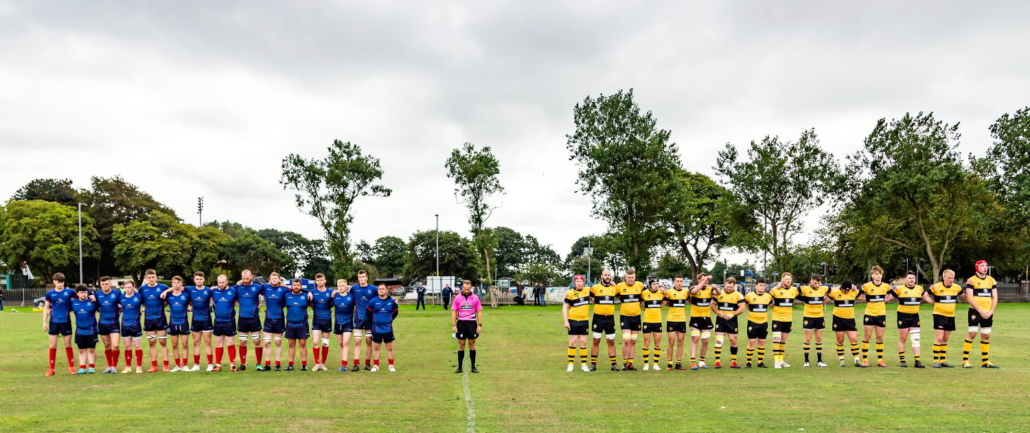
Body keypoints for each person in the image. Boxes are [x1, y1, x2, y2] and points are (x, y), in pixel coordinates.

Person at [963, 260, 999, 369]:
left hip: (988, 312)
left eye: (986, 266)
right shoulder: (971, 280)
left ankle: (985, 361)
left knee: (986, 335)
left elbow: (995, 297)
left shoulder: (991, 280)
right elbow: (969, 298)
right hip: (975, 311)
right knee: (972, 333)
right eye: (982, 266)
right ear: (977, 267)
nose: (985, 268)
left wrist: (991, 311)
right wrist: (980, 311)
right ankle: (965, 360)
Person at [892, 270, 931, 368]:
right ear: (905, 279)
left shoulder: (919, 288)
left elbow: (925, 298)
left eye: (913, 278)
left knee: (915, 339)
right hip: (902, 316)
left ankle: (917, 361)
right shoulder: (899, 289)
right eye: (909, 278)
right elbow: (889, 297)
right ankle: (902, 361)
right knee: (903, 338)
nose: (911, 280)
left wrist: (936, 303)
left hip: (914, 316)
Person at [859, 266, 894, 367]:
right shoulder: (866, 286)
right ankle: (865, 360)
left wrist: (886, 300)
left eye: (880, 274)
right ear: (872, 275)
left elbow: (893, 294)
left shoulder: (886, 286)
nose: (878, 276)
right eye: (876, 274)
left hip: (881, 315)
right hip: (869, 314)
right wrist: (866, 299)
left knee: (879, 337)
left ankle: (880, 360)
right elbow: (858, 295)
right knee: (867, 336)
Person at [44, 272, 77, 376]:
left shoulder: (70, 292)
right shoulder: (49, 293)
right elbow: (46, 308)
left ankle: (71, 367)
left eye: (62, 282)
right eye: (58, 282)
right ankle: (51, 369)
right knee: (53, 345)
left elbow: (79, 300)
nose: (61, 284)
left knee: (68, 344)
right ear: (54, 282)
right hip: (54, 322)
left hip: (66, 322)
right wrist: (44, 322)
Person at [928, 269, 962, 368]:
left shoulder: (957, 288)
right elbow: (925, 295)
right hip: (939, 315)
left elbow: (964, 295)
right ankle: (935, 361)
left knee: (945, 338)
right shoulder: (936, 287)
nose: (951, 280)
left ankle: (943, 360)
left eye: (953, 278)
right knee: (939, 338)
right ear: (944, 278)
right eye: (949, 278)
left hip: (951, 315)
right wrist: (933, 302)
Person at [588, 269, 619, 371]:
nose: (607, 277)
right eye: (605, 275)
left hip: (610, 318)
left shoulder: (614, 288)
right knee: (596, 340)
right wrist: (594, 301)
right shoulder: (595, 287)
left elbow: (621, 297)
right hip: (598, 317)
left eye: (609, 275)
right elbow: (589, 295)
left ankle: (614, 365)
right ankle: (593, 364)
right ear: (601, 276)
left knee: (611, 341)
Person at [139, 269, 170, 372]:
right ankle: (154, 366)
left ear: (156, 277)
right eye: (149, 278)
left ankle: (166, 365)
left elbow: (169, 296)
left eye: (153, 277)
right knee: (152, 342)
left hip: (160, 318)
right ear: (146, 278)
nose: (151, 279)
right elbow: (141, 301)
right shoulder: (142, 289)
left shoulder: (163, 287)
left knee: (162, 341)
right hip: (149, 319)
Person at [712, 277, 746, 369]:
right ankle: (717, 362)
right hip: (721, 320)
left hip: (732, 320)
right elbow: (712, 305)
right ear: (725, 284)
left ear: (734, 286)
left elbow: (742, 307)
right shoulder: (719, 293)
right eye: (727, 286)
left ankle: (733, 362)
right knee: (719, 340)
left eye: (731, 287)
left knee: (733, 340)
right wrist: (718, 313)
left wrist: (732, 315)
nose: (729, 288)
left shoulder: (738, 295)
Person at [826, 280, 862, 367]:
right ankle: (841, 360)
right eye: (844, 290)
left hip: (850, 319)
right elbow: (824, 300)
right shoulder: (835, 293)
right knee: (840, 340)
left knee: (854, 339)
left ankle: (857, 360)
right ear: (841, 288)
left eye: (848, 290)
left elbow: (864, 296)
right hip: (838, 319)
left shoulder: (853, 292)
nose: (846, 291)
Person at [234, 270, 263, 371]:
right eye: (243, 278)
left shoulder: (258, 287)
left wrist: (261, 304)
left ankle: (258, 364)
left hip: (254, 318)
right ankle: (242, 364)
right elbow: (227, 291)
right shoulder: (237, 287)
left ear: (251, 277)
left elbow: (269, 291)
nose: (245, 280)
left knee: (257, 341)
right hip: (242, 318)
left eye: (247, 278)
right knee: (242, 341)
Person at [258, 272, 288, 371]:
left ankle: (277, 364)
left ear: (279, 280)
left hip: (279, 318)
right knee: (266, 342)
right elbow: (252, 285)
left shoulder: (284, 289)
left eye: (276, 278)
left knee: (278, 342)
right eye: (272, 278)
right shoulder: (265, 287)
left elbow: (295, 289)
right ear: (269, 280)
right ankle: (267, 364)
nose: (274, 280)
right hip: (268, 318)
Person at [366, 283, 399, 372]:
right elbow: (368, 312)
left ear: (386, 290)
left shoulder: (392, 301)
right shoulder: (373, 301)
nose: (381, 290)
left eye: (382, 289)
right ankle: (376, 365)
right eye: (379, 289)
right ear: (378, 291)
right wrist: (374, 321)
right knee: (376, 347)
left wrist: (389, 320)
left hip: (387, 328)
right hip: (376, 328)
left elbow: (395, 312)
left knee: (389, 347)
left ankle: (391, 365)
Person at [798, 274, 829, 367]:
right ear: (810, 281)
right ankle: (806, 361)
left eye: (818, 283)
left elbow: (834, 292)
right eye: (815, 283)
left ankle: (819, 361)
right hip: (808, 316)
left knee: (819, 338)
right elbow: (794, 292)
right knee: (808, 338)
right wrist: (804, 299)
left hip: (820, 316)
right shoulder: (804, 289)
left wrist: (825, 301)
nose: (817, 285)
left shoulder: (824, 289)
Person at [452, 280, 483, 373]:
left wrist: (479, 325)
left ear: (471, 288)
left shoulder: (475, 298)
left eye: (468, 289)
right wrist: (454, 325)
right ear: (462, 287)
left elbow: (479, 311)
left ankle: (473, 367)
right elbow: (454, 311)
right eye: (465, 289)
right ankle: (459, 367)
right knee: (461, 344)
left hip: (472, 323)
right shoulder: (457, 298)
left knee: (472, 344)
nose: (466, 291)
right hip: (461, 323)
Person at [562, 275, 592, 372]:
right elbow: (565, 307)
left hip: (584, 320)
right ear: (574, 282)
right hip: (573, 320)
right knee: (573, 342)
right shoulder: (569, 293)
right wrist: (566, 321)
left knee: (583, 342)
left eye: (581, 281)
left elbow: (600, 288)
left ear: (583, 282)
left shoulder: (587, 290)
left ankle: (584, 365)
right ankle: (570, 364)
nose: (579, 283)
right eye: (577, 281)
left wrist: (612, 284)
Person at [185, 271, 213, 371]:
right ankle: (196, 365)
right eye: (197, 279)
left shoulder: (208, 290)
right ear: (194, 280)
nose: (199, 281)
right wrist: (165, 292)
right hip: (195, 320)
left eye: (201, 279)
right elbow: (176, 287)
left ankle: (210, 364)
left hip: (206, 320)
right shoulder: (190, 289)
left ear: (204, 280)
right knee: (196, 342)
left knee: (207, 342)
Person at [770, 273, 799, 369]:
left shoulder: (794, 290)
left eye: (789, 279)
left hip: (788, 319)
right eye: (786, 279)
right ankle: (776, 362)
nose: (788, 281)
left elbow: (803, 295)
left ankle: (781, 360)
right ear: (782, 280)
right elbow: (767, 298)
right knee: (777, 339)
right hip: (777, 318)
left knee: (783, 340)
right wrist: (772, 306)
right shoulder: (775, 290)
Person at [616, 270, 644, 370]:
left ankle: (630, 363)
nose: (631, 279)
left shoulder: (640, 285)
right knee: (626, 339)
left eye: (632, 277)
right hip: (625, 316)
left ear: (635, 278)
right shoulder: (619, 286)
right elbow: (614, 293)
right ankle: (624, 362)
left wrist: (662, 288)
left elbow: (645, 295)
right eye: (629, 277)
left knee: (633, 341)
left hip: (636, 316)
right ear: (625, 278)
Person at [688, 273, 717, 370]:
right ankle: (692, 362)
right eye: (704, 279)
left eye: (707, 280)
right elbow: (694, 291)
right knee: (695, 339)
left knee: (705, 340)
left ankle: (702, 361)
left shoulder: (710, 289)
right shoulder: (693, 288)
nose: (706, 281)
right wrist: (705, 280)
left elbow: (719, 293)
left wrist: (715, 287)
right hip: (695, 318)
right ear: (699, 280)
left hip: (706, 318)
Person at [94, 276, 122, 374]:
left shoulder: (117, 293)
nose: (105, 286)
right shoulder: (97, 294)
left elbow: (122, 304)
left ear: (110, 284)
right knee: (107, 345)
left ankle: (114, 366)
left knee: (115, 345)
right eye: (103, 284)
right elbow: (96, 307)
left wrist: (120, 311)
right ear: (100, 285)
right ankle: (109, 366)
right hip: (102, 323)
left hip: (114, 323)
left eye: (106, 284)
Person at [351, 270, 377, 371]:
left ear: (367, 278)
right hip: (358, 318)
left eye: (363, 276)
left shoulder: (373, 289)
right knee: (357, 341)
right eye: (359, 277)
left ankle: (367, 363)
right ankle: (356, 364)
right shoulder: (354, 288)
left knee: (368, 341)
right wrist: (335, 292)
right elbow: (344, 293)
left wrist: (393, 300)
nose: (361, 279)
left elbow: (382, 297)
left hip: (370, 319)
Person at [211, 275, 238, 372]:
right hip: (218, 321)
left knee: (230, 343)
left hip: (229, 321)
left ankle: (232, 364)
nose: (221, 284)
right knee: (218, 343)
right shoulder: (213, 291)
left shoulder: (233, 291)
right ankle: (218, 364)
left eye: (223, 282)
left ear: (227, 281)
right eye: (219, 282)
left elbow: (238, 300)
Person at [744, 279, 772, 368]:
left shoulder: (768, 296)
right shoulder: (749, 296)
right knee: (751, 342)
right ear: (755, 286)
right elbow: (742, 305)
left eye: (763, 285)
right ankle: (748, 362)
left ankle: (760, 362)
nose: (762, 287)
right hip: (752, 322)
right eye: (760, 285)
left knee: (761, 342)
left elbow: (773, 306)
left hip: (764, 323)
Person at [165, 277, 191, 372]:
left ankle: (185, 365)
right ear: (172, 284)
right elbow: (162, 304)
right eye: (174, 282)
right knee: (174, 344)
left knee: (184, 344)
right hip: (172, 323)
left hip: (184, 322)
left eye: (178, 282)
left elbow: (192, 304)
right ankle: (177, 365)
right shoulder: (168, 296)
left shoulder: (186, 295)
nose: (176, 284)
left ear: (181, 284)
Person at [309, 273, 334, 371]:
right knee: (315, 342)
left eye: (321, 280)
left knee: (325, 343)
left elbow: (333, 303)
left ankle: (323, 363)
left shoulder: (330, 292)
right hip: (316, 321)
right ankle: (316, 363)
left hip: (327, 320)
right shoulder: (312, 292)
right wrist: (309, 293)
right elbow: (309, 303)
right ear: (316, 281)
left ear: (325, 281)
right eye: (318, 280)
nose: (320, 282)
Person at [284, 279, 311, 371]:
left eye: (298, 285)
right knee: (291, 344)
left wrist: (309, 292)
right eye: (294, 285)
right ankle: (290, 364)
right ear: (291, 286)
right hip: (290, 324)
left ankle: (304, 364)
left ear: (301, 286)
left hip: (302, 324)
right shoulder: (287, 295)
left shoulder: (306, 296)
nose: (296, 286)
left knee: (302, 344)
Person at [71, 285, 98, 374]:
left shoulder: (93, 301)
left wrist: (94, 295)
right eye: (81, 293)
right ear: (77, 294)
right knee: (81, 350)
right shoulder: (73, 303)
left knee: (91, 349)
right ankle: (82, 368)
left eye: (85, 292)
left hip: (91, 329)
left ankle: (91, 367)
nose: (84, 294)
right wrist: (50, 309)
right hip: (79, 330)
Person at [664, 275, 690, 370]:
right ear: (674, 282)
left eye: (681, 281)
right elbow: (665, 302)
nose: (679, 283)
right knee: (671, 341)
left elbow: (690, 300)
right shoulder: (669, 292)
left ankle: (678, 363)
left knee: (680, 341)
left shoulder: (686, 292)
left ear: (683, 282)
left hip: (682, 320)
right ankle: (669, 363)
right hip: (671, 319)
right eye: (677, 281)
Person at [639, 278, 665, 371]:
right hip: (647, 321)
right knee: (646, 342)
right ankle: (646, 364)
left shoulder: (661, 292)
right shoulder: (644, 293)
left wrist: (661, 306)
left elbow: (667, 298)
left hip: (658, 321)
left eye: (657, 284)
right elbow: (639, 301)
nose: (656, 285)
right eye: (654, 284)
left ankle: (655, 364)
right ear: (650, 284)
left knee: (657, 343)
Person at [119, 280, 144, 374]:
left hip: (136, 324)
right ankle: (128, 366)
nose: (128, 289)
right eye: (126, 287)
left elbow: (146, 303)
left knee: (137, 346)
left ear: (133, 287)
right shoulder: (121, 297)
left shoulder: (139, 296)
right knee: (127, 346)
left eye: (129, 287)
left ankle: (139, 367)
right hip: (125, 325)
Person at [332, 279, 355, 372]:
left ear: (346, 287)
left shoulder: (351, 296)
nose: (341, 287)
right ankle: (343, 362)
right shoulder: (334, 296)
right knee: (341, 343)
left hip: (348, 322)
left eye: (343, 286)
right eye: (339, 286)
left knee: (345, 343)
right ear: (337, 287)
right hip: (338, 322)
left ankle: (344, 365)